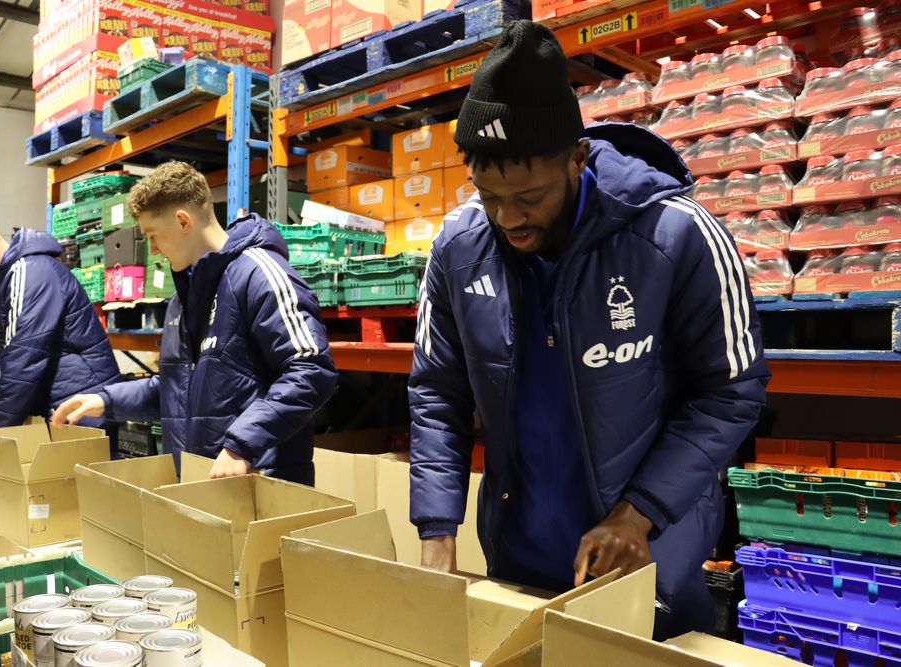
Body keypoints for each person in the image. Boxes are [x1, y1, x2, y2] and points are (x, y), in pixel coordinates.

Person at [408, 21, 769, 639]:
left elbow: (731, 389)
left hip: (648, 557)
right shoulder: (459, 247)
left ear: (578, 156)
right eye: (487, 194)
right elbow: (438, 392)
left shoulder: (674, 235)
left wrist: (637, 516)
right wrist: (438, 533)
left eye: (529, 196)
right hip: (519, 558)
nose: (507, 219)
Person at [52, 161, 337, 483]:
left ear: (183, 221)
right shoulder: (183, 299)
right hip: (200, 481)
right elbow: (175, 389)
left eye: (153, 236)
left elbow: (311, 371)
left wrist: (242, 445)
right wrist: (106, 400)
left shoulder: (260, 274)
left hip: (261, 480)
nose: (155, 250)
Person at [0, 211, 122, 430]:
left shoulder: (31, 272)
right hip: (68, 404)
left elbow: (22, 361)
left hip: (81, 407)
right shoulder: (15, 276)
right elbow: (14, 350)